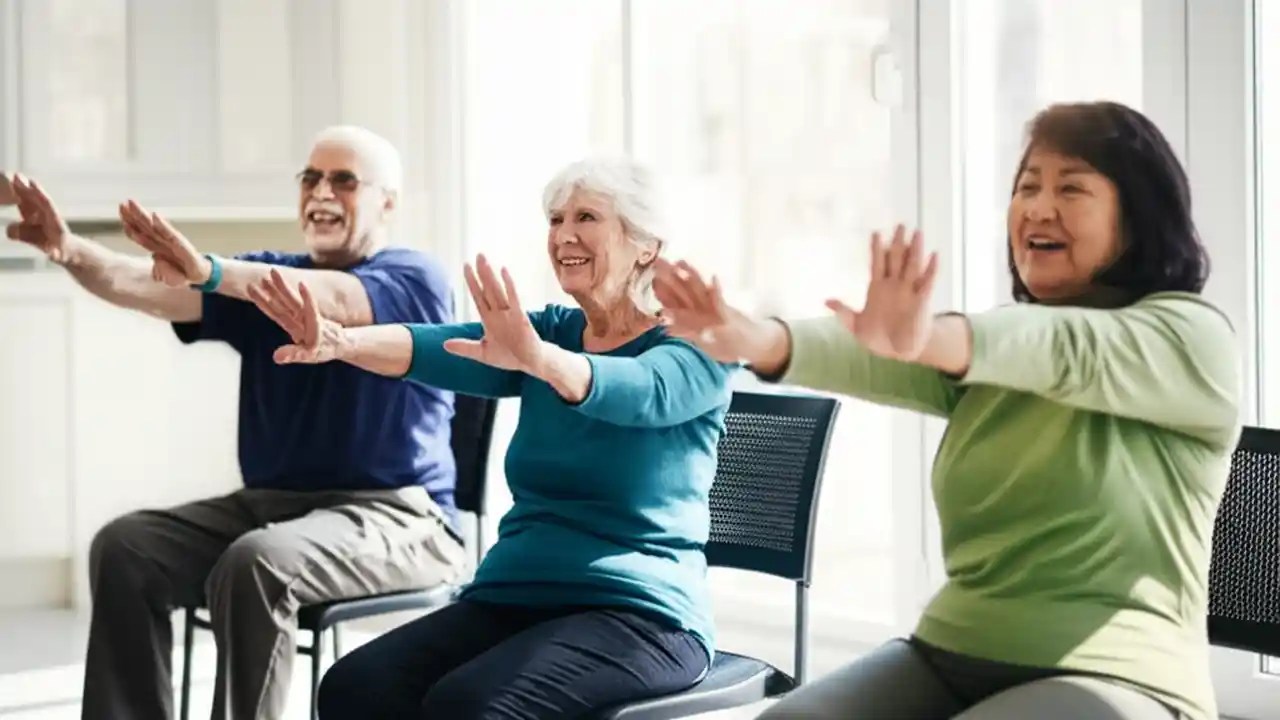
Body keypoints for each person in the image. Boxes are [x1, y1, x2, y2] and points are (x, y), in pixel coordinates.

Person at [654, 101, 1240, 720]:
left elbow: (1068, 353)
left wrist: (925, 337)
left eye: (1071, 187)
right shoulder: (999, 348)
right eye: (1026, 187)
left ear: (1139, 217)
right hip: (952, 649)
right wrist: (757, 339)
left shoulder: (1188, 340)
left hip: (1121, 678)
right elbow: (880, 357)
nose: (1038, 207)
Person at [3, 125, 466, 720]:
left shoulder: (414, 277)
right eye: (311, 178)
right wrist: (69, 249)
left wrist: (212, 271)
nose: (321, 191)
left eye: (344, 180)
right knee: (125, 547)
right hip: (271, 507)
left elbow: (337, 300)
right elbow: (144, 285)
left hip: (400, 517)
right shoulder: (266, 274)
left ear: (388, 202)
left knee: (260, 561)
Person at [246, 158, 734, 718]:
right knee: (355, 684)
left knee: (470, 707)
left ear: (645, 244)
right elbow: (437, 346)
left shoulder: (698, 345)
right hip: (517, 594)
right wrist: (341, 342)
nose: (563, 235)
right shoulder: (553, 332)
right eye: (555, 219)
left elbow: (640, 391)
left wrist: (540, 360)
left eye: (586, 217)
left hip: (642, 614)